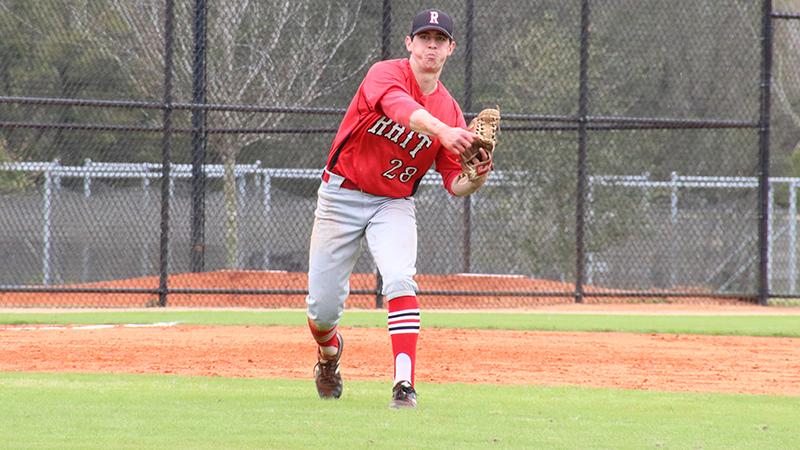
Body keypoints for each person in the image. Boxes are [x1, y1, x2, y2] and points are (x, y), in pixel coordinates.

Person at [305, 8, 490, 409]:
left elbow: (453, 183)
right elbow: (400, 108)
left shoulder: (451, 111)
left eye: (439, 39)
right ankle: (329, 354)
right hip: (342, 193)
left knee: (400, 281)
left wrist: (474, 178)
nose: (431, 44)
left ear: (450, 49)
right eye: (424, 37)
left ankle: (403, 385)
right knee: (322, 309)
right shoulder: (384, 74)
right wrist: (442, 131)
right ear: (409, 43)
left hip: (393, 202)